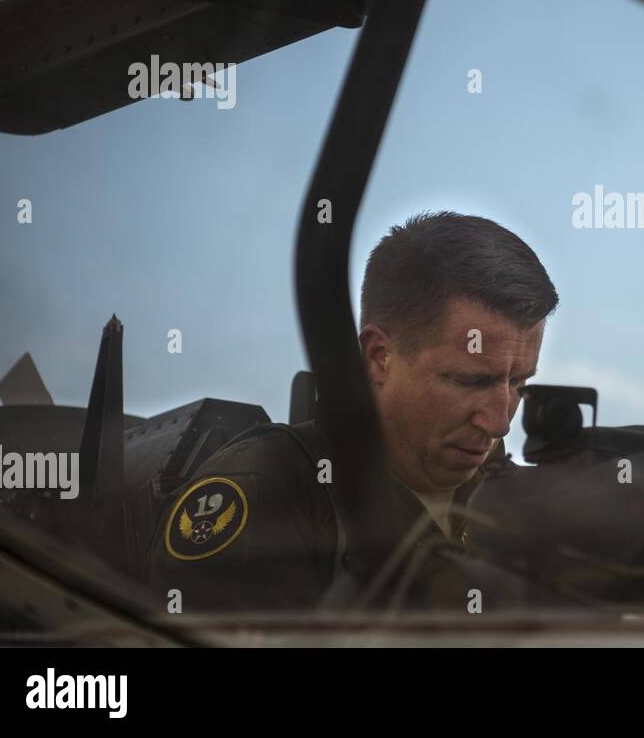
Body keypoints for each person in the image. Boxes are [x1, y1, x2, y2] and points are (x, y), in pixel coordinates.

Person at [147, 211, 558, 613]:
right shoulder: (270, 489)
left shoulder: (522, 506)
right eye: (471, 381)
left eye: (519, 384)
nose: (501, 421)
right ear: (380, 357)